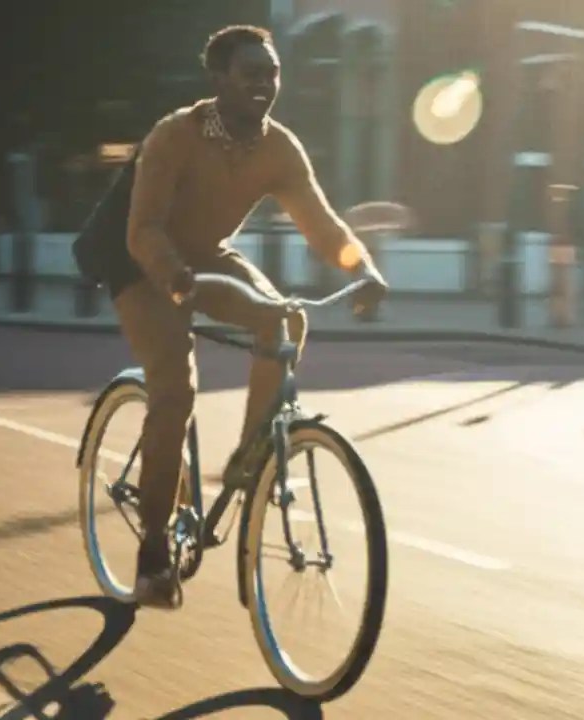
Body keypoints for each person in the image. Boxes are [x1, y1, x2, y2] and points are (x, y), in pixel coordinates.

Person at [95, 25, 389, 608]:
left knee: (282, 320)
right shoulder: (174, 135)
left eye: (272, 72)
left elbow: (322, 223)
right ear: (219, 79)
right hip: (145, 265)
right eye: (251, 72)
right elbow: (142, 229)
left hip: (207, 258)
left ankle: (248, 458)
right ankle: (153, 550)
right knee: (175, 393)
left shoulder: (279, 147)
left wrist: (362, 269)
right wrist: (175, 277)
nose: (265, 83)